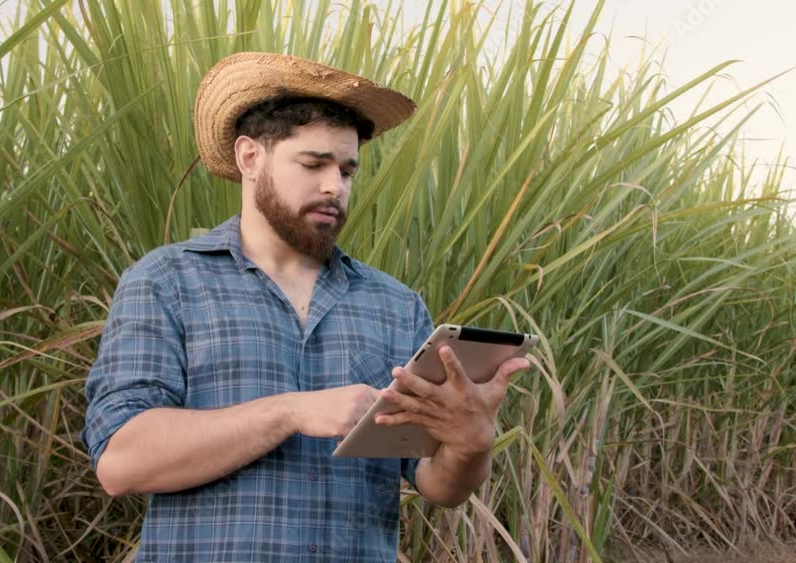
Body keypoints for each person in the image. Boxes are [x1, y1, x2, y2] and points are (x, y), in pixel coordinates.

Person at [80, 52, 529, 562]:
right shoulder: (166, 282)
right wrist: (292, 411)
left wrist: (470, 445)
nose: (334, 187)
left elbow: (437, 485)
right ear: (250, 158)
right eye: (313, 164)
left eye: (346, 170)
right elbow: (121, 462)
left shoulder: (395, 306)